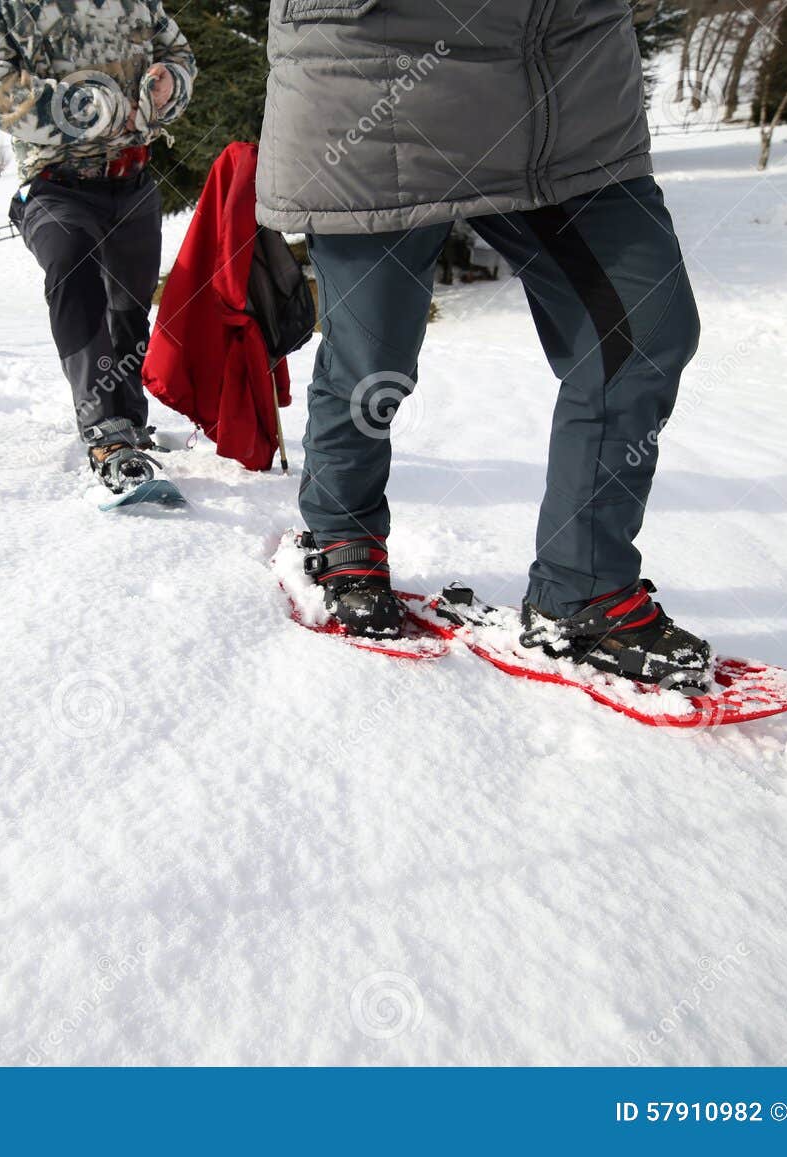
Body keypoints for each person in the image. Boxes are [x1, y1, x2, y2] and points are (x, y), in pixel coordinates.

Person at [256, 0, 710, 686]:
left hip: (567, 88)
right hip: (375, 70)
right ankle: (340, 532)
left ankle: (582, 593)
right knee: (374, 355)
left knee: (643, 331)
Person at [0, 1, 196, 493]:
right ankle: (105, 434)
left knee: (129, 308)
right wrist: (103, 108)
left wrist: (169, 84)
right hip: (53, 184)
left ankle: (130, 423)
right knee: (73, 269)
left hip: (131, 179)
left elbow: (178, 54)